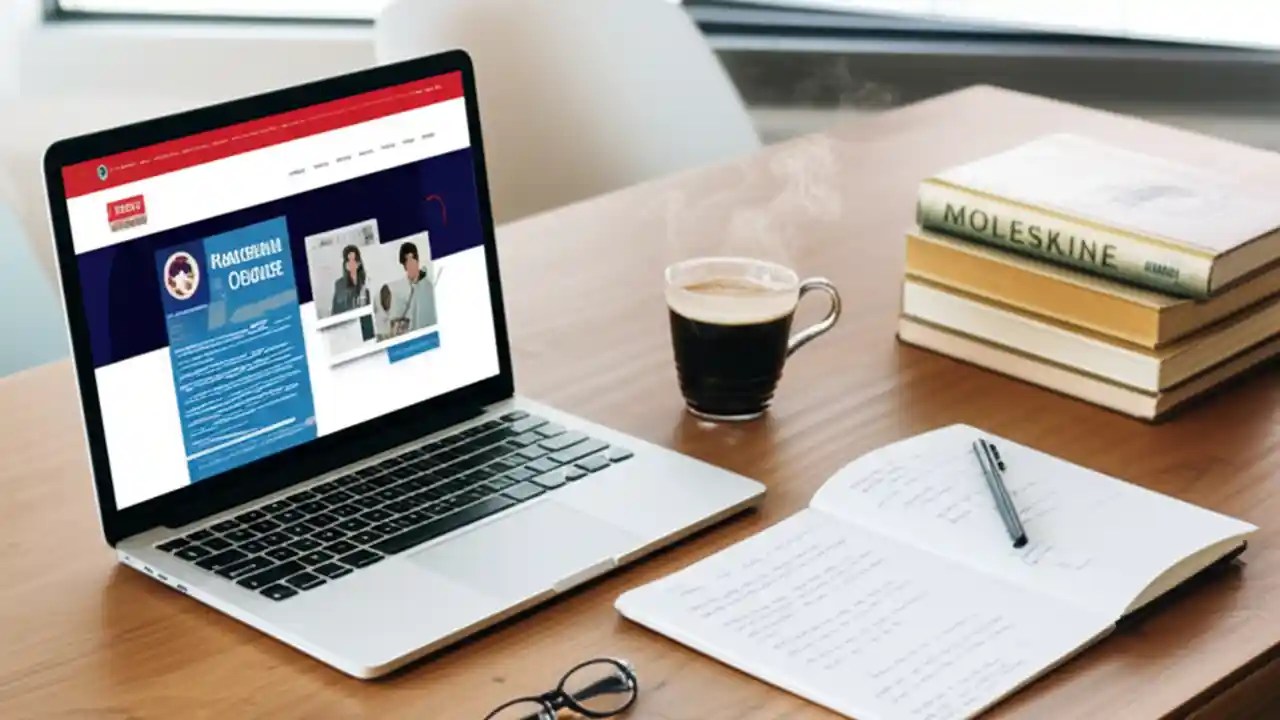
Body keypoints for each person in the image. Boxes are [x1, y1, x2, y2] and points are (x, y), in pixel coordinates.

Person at [387, 241, 438, 333]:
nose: (412, 265)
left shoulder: (429, 286)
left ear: (417, 261)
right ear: (404, 266)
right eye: (408, 261)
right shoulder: (400, 291)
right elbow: (395, 324)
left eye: (413, 260)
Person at [331, 244, 370, 316]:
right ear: (345, 265)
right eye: (348, 261)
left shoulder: (365, 287)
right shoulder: (339, 284)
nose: (351, 264)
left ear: (358, 263)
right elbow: (334, 311)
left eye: (353, 260)